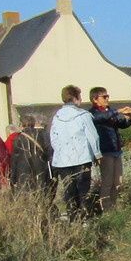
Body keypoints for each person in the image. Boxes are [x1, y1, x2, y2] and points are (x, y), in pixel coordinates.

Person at [48, 85, 100, 220]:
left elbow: (53, 139)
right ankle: (84, 217)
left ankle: (72, 217)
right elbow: (93, 137)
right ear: (75, 98)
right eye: (80, 97)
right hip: (82, 158)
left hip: (62, 161)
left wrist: (60, 152)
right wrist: (97, 154)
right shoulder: (84, 115)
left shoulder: (56, 117)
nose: (81, 100)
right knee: (83, 189)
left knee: (69, 190)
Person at [89, 87, 131, 211]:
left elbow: (121, 124)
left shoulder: (109, 111)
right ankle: (106, 208)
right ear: (95, 99)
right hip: (105, 150)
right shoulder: (93, 113)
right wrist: (118, 111)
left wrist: (127, 117)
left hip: (116, 149)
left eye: (107, 96)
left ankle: (113, 206)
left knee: (118, 182)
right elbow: (101, 118)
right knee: (107, 181)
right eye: (104, 97)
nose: (107, 99)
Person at [8, 114, 51, 190]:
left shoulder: (18, 138)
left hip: (23, 170)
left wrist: (13, 178)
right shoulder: (41, 135)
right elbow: (48, 152)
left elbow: (14, 160)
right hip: (40, 167)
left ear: (21, 125)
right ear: (34, 124)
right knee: (41, 191)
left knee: (26, 192)